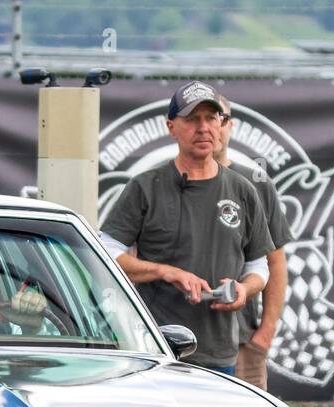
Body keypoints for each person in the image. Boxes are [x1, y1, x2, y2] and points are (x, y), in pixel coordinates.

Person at [99, 80, 272, 374]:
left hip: (220, 355)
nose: (203, 128)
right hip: (155, 351)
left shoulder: (242, 190)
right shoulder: (145, 186)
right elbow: (105, 256)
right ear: (171, 127)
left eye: (211, 118)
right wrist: (165, 271)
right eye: (192, 119)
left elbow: (260, 266)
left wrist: (243, 289)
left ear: (221, 124)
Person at [215, 93, 292, 390]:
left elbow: (275, 261)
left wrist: (265, 334)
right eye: (197, 120)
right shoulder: (159, 184)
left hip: (243, 340)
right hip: (178, 343)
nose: (210, 128)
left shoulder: (256, 184)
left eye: (218, 119)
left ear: (230, 125)